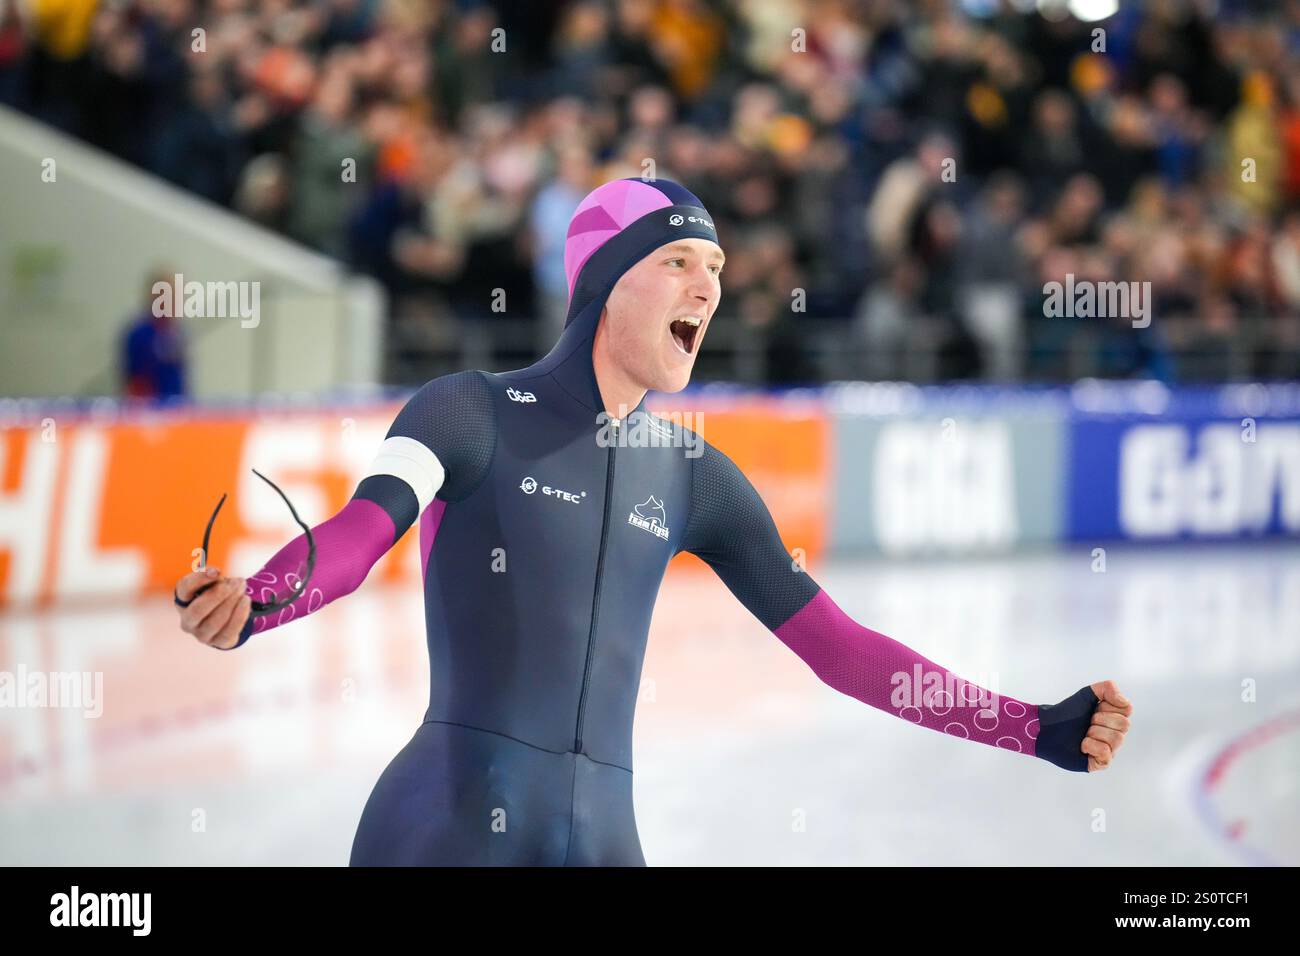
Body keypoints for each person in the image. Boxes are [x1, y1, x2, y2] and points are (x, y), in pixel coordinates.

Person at [174, 178, 1133, 866]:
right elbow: (356, 535)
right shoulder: (466, 411)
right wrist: (253, 602)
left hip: (605, 842)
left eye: (714, 266)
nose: (707, 287)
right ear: (603, 282)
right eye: (677, 260)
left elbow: (842, 650)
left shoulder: (692, 477)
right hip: (448, 830)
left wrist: (1034, 729)